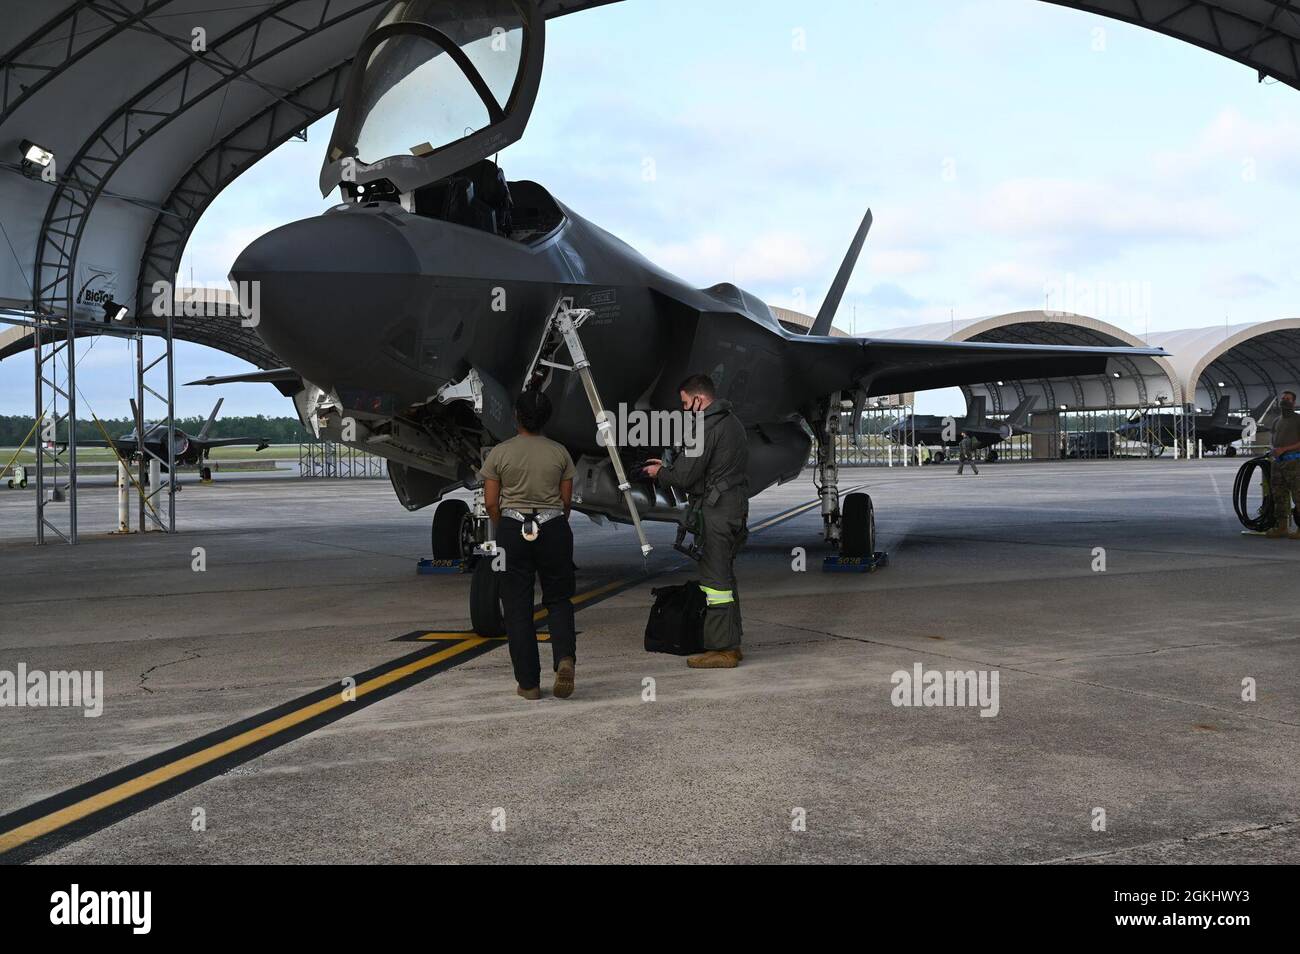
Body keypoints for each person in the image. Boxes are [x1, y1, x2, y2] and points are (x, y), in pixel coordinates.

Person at [643, 374, 749, 668]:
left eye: (686, 403)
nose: (685, 408)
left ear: (699, 400)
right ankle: (732, 641)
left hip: (716, 513)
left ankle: (722, 649)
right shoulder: (733, 423)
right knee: (725, 578)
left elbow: (685, 476)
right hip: (734, 508)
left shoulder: (705, 427)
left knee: (715, 582)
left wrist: (660, 473)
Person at [481, 391, 578, 699]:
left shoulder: (500, 453)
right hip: (553, 527)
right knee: (559, 598)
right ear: (546, 418)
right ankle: (564, 657)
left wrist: (505, 526)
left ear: (516, 417)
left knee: (517, 607)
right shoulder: (560, 452)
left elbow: (490, 502)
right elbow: (565, 502)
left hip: (513, 527)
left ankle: (529, 684)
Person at [1264, 389, 1300, 539]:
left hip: (1295, 463)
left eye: (1288, 399)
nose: (1284, 401)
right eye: (1283, 398)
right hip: (1278, 464)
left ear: (1294, 403)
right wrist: (1274, 451)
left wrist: (1284, 449)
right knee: (1279, 496)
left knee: (1298, 496)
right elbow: (1273, 440)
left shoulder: (1298, 420)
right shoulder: (1276, 421)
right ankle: (1282, 527)